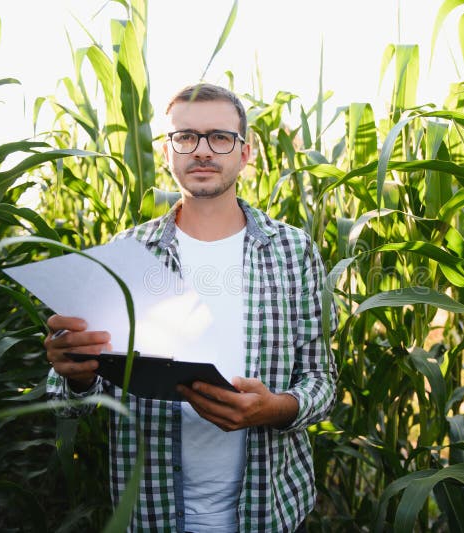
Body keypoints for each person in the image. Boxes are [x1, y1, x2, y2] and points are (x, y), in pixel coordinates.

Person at [44, 83, 336, 532]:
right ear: (167, 152)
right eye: (186, 137)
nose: (202, 151)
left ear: (245, 152)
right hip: (153, 515)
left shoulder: (293, 250)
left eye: (220, 137)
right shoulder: (127, 253)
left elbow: (322, 380)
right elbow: (67, 405)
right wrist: (78, 377)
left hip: (268, 513)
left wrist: (276, 408)